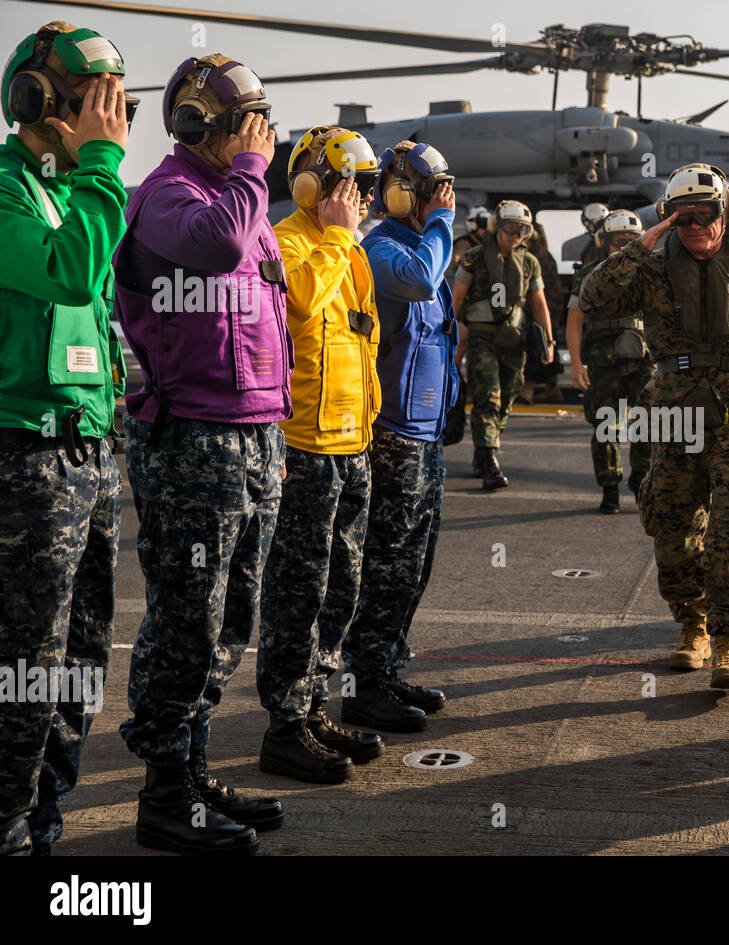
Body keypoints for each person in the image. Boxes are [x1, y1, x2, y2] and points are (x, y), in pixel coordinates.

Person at [114, 53, 288, 854]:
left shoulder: (237, 199)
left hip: (254, 431)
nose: (258, 141)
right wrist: (254, 169)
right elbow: (216, 250)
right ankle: (163, 794)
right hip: (194, 436)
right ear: (192, 125)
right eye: (242, 126)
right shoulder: (169, 197)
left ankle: (191, 764)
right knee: (189, 616)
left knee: (232, 616)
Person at [580, 163, 729, 689]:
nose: (696, 227)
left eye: (705, 215)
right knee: (671, 524)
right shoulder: (653, 268)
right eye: (683, 218)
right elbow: (593, 298)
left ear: (726, 213)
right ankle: (693, 627)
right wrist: (644, 242)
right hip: (672, 411)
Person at [0, 20, 133, 857]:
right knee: (26, 655)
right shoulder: (11, 188)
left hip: (88, 441)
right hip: (25, 451)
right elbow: (69, 271)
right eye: (90, 101)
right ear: (34, 98)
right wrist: (103, 166)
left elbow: (98, 309)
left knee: (83, 645)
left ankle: (45, 808)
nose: (105, 119)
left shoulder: (78, 186)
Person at [255, 125, 385, 782]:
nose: (364, 197)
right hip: (304, 446)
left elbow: (362, 343)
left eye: (364, 187)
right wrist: (336, 235)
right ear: (314, 186)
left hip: (350, 445)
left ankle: (313, 707)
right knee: (298, 590)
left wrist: (368, 428)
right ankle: (283, 727)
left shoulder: (351, 251)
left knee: (341, 587)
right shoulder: (287, 241)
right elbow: (299, 307)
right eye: (352, 185)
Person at [340, 140, 460, 733]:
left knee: (415, 562)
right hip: (392, 435)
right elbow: (415, 285)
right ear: (399, 195)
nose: (442, 200)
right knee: (386, 562)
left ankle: (386, 668)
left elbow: (438, 336)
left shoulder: (426, 247)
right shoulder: (383, 247)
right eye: (430, 190)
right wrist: (441, 223)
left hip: (426, 433)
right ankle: (363, 687)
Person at [452, 199, 554, 489]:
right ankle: (490, 462)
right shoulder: (473, 257)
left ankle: (484, 450)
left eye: (522, 230)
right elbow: (457, 299)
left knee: (508, 396)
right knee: (488, 396)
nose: (515, 235)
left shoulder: (530, 262)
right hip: (482, 336)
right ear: (498, 225)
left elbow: (539, 304)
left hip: (515, 339)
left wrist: (547, 339)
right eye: (510, 228)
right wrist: (456, 338)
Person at [568, 209, 652, 513]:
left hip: (644, 359)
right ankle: (609, 487)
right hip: (604, 363)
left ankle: (641, 479)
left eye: (633, 240)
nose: (627, 246)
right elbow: (575, 322)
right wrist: (576, 365)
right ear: (605, 241)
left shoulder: (651, 271)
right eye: (620, 241)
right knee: (607, 427)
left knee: (649, 423)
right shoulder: (589, 274)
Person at [520, 219, 565, 404]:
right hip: (548, 308)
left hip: (544, 309)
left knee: (536, 347)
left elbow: (539, 293)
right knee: (542, 347)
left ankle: (528, 389)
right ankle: (553, 387)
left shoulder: (535, 258)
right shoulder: (539, 254)